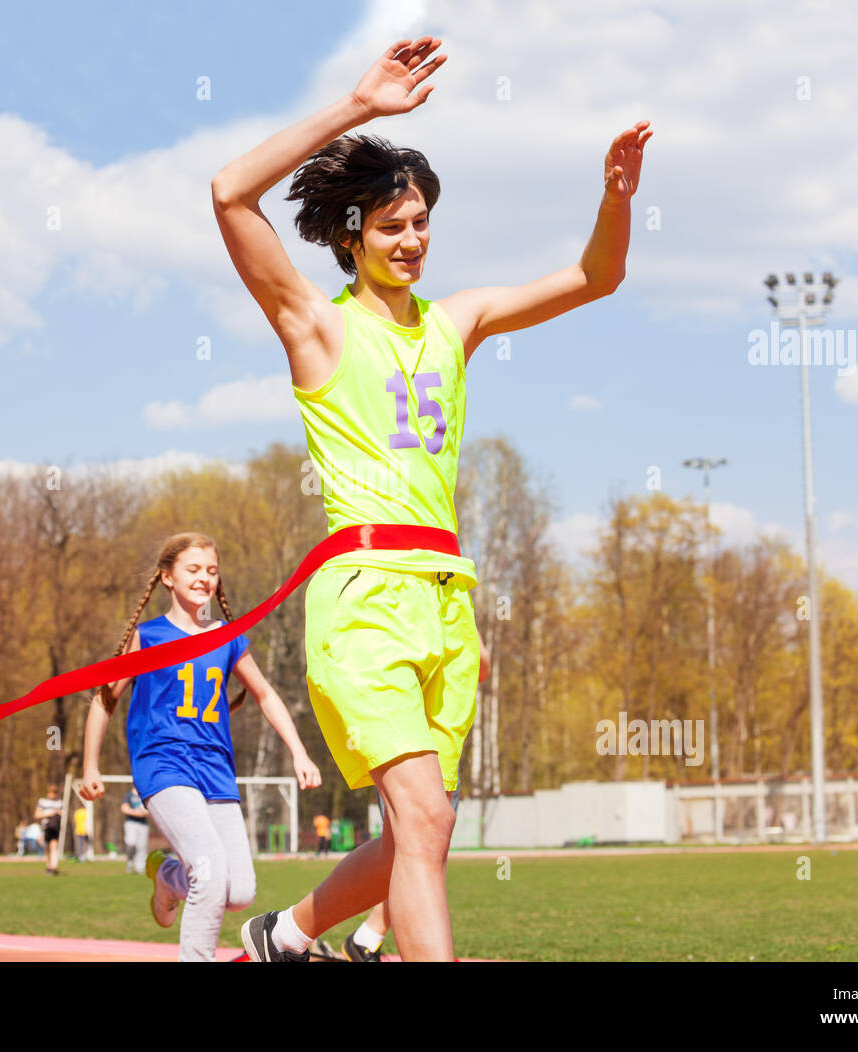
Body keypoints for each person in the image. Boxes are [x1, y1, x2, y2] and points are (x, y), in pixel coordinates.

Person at [213, 36, 649, 961]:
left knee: (429, 830)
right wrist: (357, 109)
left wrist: (614, 203)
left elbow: (595, 279)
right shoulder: (316, 329)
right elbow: (228, 192)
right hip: (364, 598)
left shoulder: (457, 322)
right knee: (416, 813)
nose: (411, 242)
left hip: (447, 603)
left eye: (420, 225)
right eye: (390, 226)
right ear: (350, 236)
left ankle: (283, 936)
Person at [78, 532, 323, 962]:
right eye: (193, 569)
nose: (204, 578)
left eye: (211, 571)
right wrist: (89, 766)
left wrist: (299, 752)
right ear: (167, 578)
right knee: (209, 873)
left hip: (215, 771)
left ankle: (168, 877)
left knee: (240, 891)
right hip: (163, 765)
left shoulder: (228, 637)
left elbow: (265, 695)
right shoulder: (148, 637)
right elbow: (105, 700)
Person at [320, 636, 491, 962]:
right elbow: (481, 663)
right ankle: (307, 931)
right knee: (414, 850)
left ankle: (347, 935)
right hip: (406, 744)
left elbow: (481, 664)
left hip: (438, 750)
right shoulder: (405, 606)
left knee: (416, 851)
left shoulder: (447, 597)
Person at [34, 784, 64, 875]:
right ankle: (49, 866)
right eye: (51, 793)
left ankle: (53, 867)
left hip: (55, 827)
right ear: (48, 793)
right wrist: (49, 813)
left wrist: (58, 813)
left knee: (54, 846)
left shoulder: (60, 802)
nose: (53, 795)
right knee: (47, 848)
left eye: (55, 793)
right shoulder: (42, 801)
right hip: (46, 827)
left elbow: (64, 815)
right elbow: (37, 815)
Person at [121, 786, 150, 874]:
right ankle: (129, 862)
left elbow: (150, 810)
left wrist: (145, 813)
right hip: (131, 823)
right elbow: (124, 808)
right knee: (131, 843)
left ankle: (140, 868)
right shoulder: (129, 795)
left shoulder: (144, 795)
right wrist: (136, 813)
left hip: (143, 824)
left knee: (142, 846)